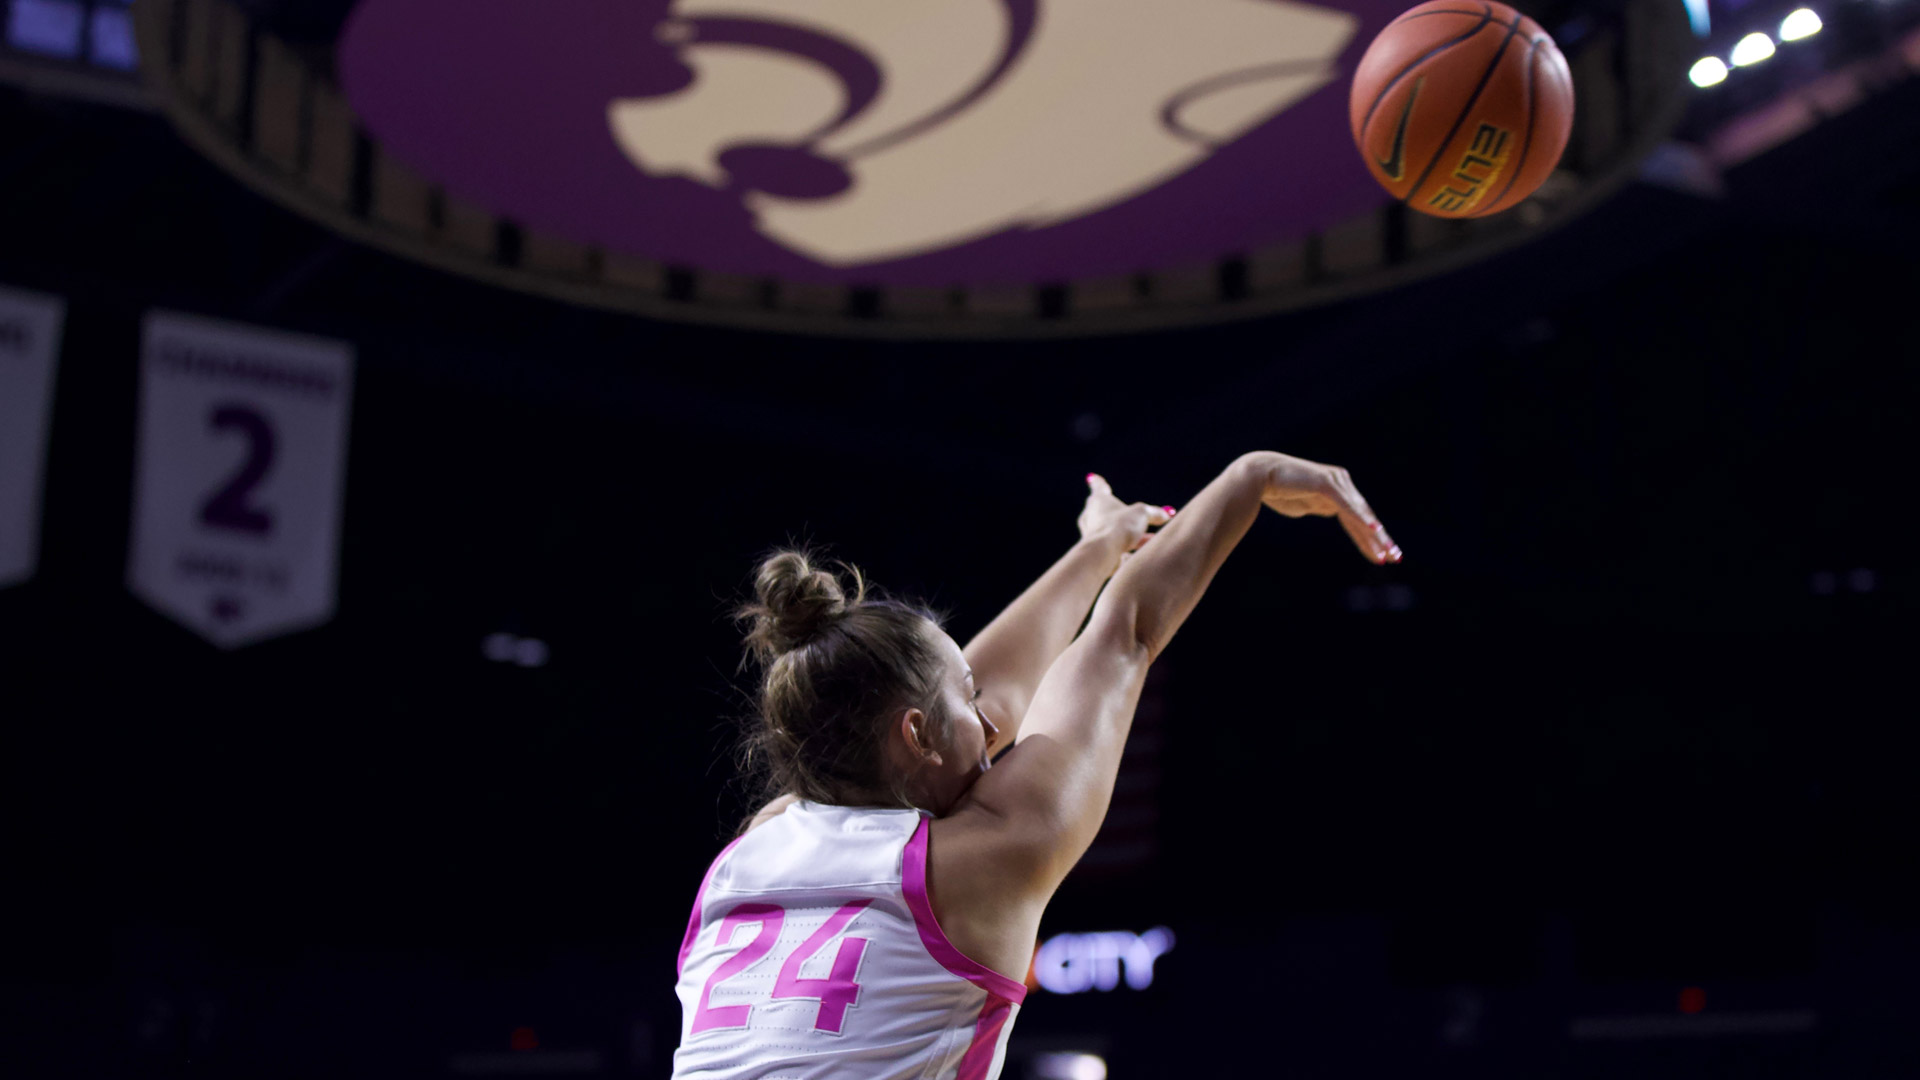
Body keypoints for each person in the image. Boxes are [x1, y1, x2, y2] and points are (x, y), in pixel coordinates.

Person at [672, 451, 1398, 1079]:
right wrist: (1252, 476)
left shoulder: (753, 848)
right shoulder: (987, 856)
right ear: (917, 734)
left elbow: (958, 707)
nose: (992, 718)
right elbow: (1127, 633)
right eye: (970, 697)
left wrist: (1100, 547)